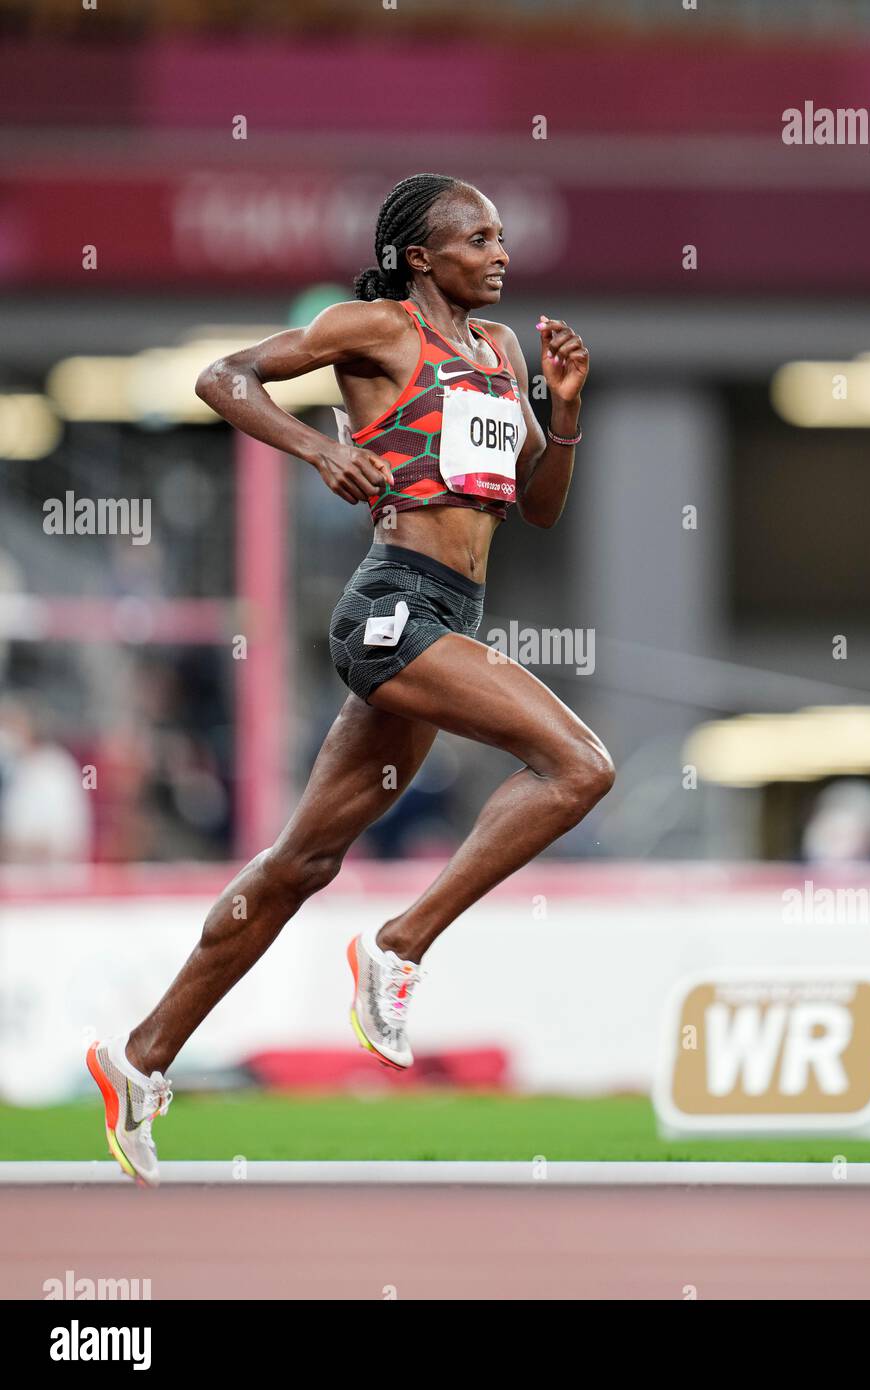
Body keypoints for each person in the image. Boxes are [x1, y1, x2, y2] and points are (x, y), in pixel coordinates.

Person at [86, 172, 616, 1185]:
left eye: (502, 236)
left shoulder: (500, 352)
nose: (501, 253)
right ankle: (401, 945)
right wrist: (313, 453)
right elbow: (225, 376)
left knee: (301, 862)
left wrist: (571, 413)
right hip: (394, 610)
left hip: (453, 612)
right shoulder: (370, 329)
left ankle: (140, 1057)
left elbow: (539, 506)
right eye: (478, 238)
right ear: (422, 256)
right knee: (578, 766)